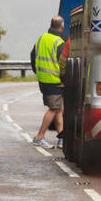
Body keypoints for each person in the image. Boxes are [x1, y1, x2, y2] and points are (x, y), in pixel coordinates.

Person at [32, 16, 66, 149]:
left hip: (43, 80)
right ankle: (39, 137)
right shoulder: (59, 42)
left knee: (59, 109)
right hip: (54, 81)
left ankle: (61, 139)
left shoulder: (41, 38)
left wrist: (38, 71)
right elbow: (64, 64)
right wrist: (65, 80)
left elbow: (32, 55)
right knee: (54, 109)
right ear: (61, 26)